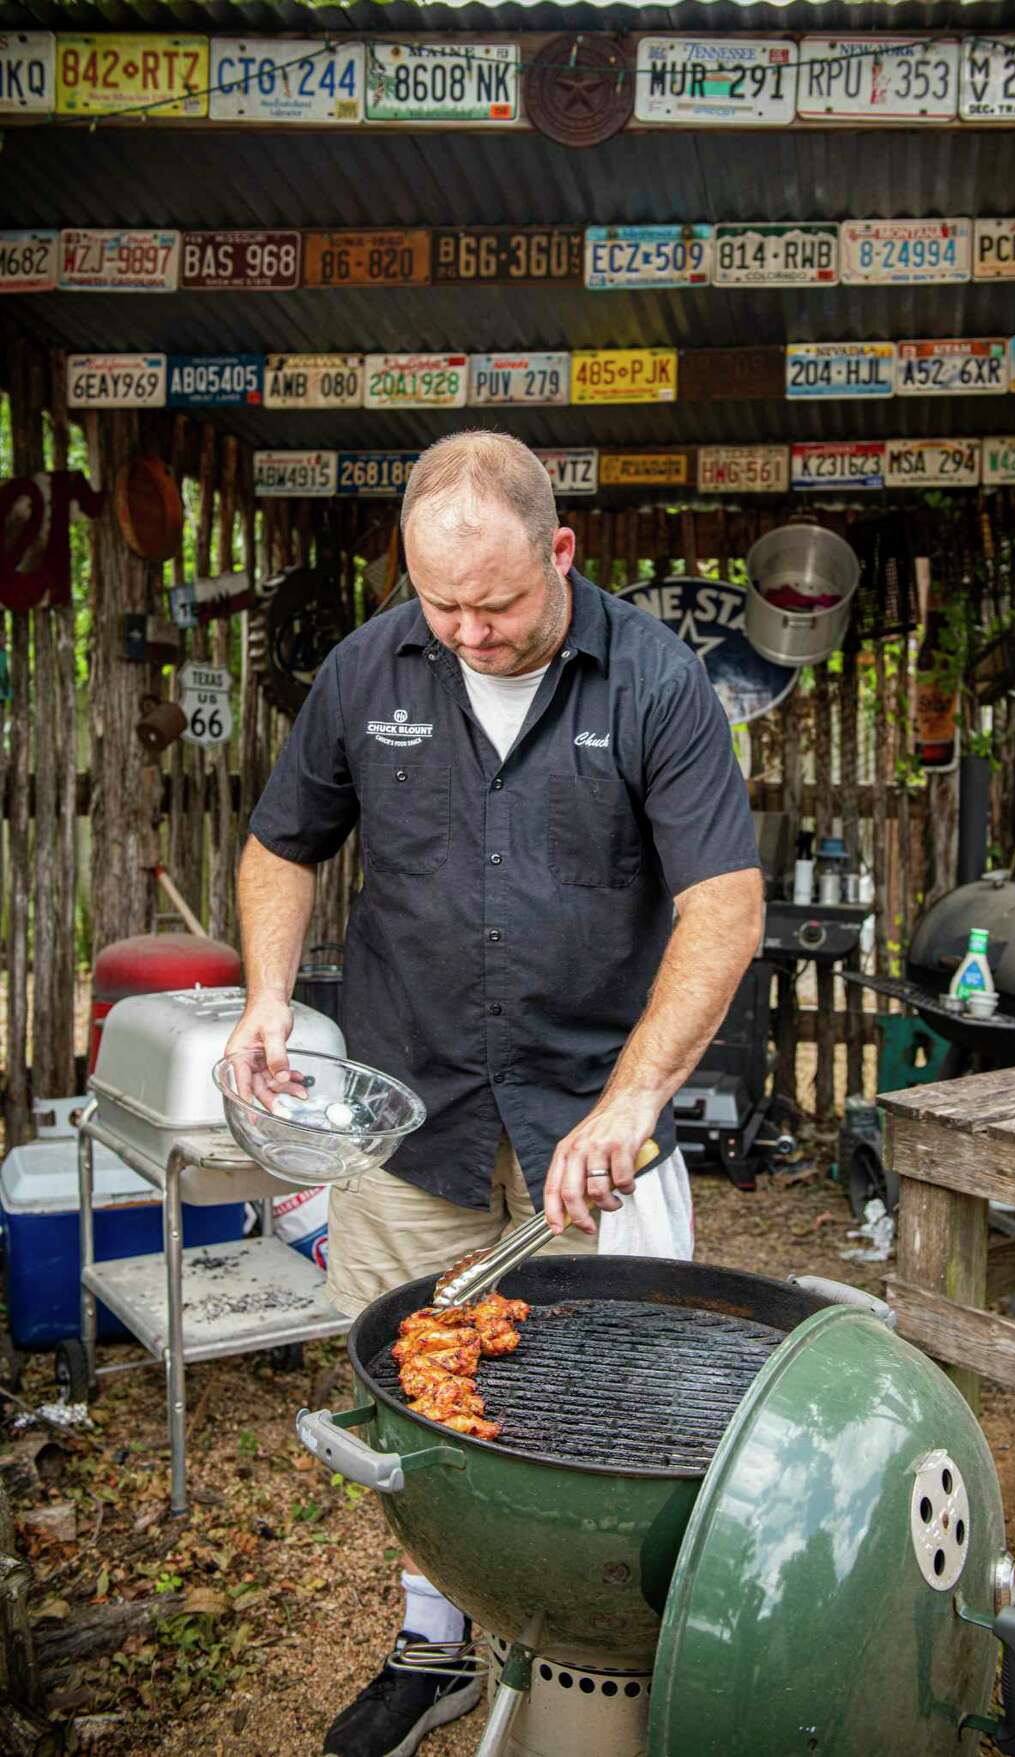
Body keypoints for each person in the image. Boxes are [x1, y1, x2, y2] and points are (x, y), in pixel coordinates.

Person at [227, 430, 763, 1757]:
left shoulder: (653, 682)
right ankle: (433, 1642)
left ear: (562, 554)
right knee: (410, 1404)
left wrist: (637, 1096)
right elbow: (278, 848)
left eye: (499, 602)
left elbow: (724, 905)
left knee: (628, 1407)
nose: (467, 629)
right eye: (440, 602)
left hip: (598, 1129)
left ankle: (612, 1647)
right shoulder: (368, 668)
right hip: (421, 1124)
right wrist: (265, 995)